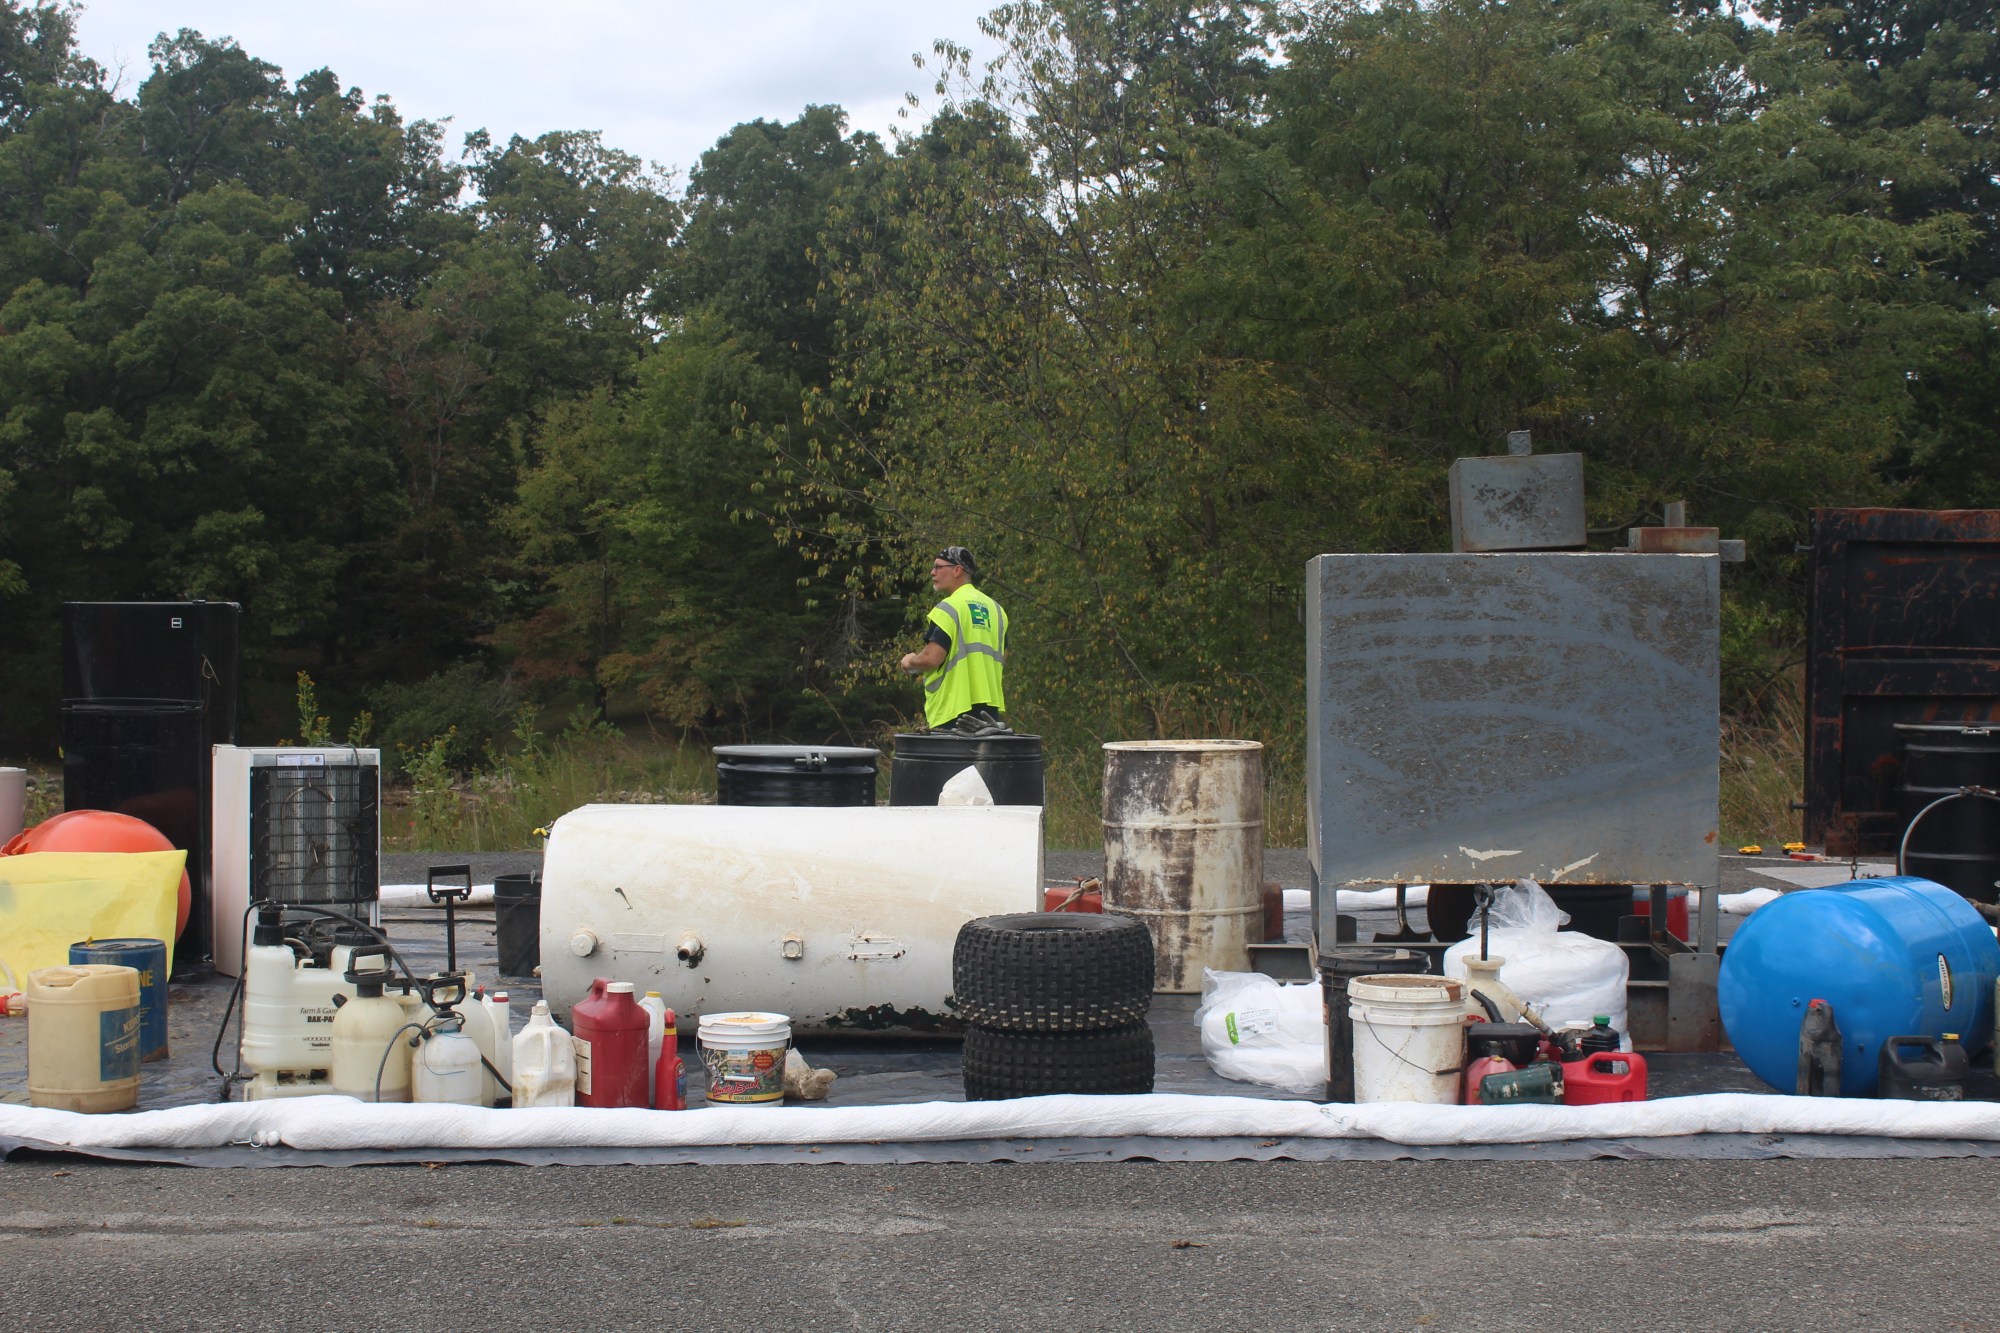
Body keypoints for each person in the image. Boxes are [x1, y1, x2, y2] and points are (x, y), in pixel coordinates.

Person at [897, 545, 1010, 735]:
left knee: (953, 764)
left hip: (954, 711)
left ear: (957, 570)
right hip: (989, 714)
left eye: (938, 567)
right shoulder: (997, 610)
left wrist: (909, 661)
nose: (932, 573)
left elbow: (931, 658)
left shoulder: (950, 608)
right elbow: (1003, 658)